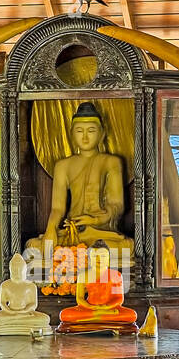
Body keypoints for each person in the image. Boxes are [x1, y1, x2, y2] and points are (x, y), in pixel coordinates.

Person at [27, 102, 132, 254]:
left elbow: (116, 205)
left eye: (91, 130)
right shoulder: (63, 166)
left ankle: (82, 254)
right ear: (71, 134)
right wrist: (51, 229)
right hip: (72, 231)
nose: (84, 137)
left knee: (127, 247)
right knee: (33, 246)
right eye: (79, 131)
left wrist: (95, 220)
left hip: (101, 232)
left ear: (102, 133)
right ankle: (82, 254)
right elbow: (57, 208)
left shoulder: (111, 162)